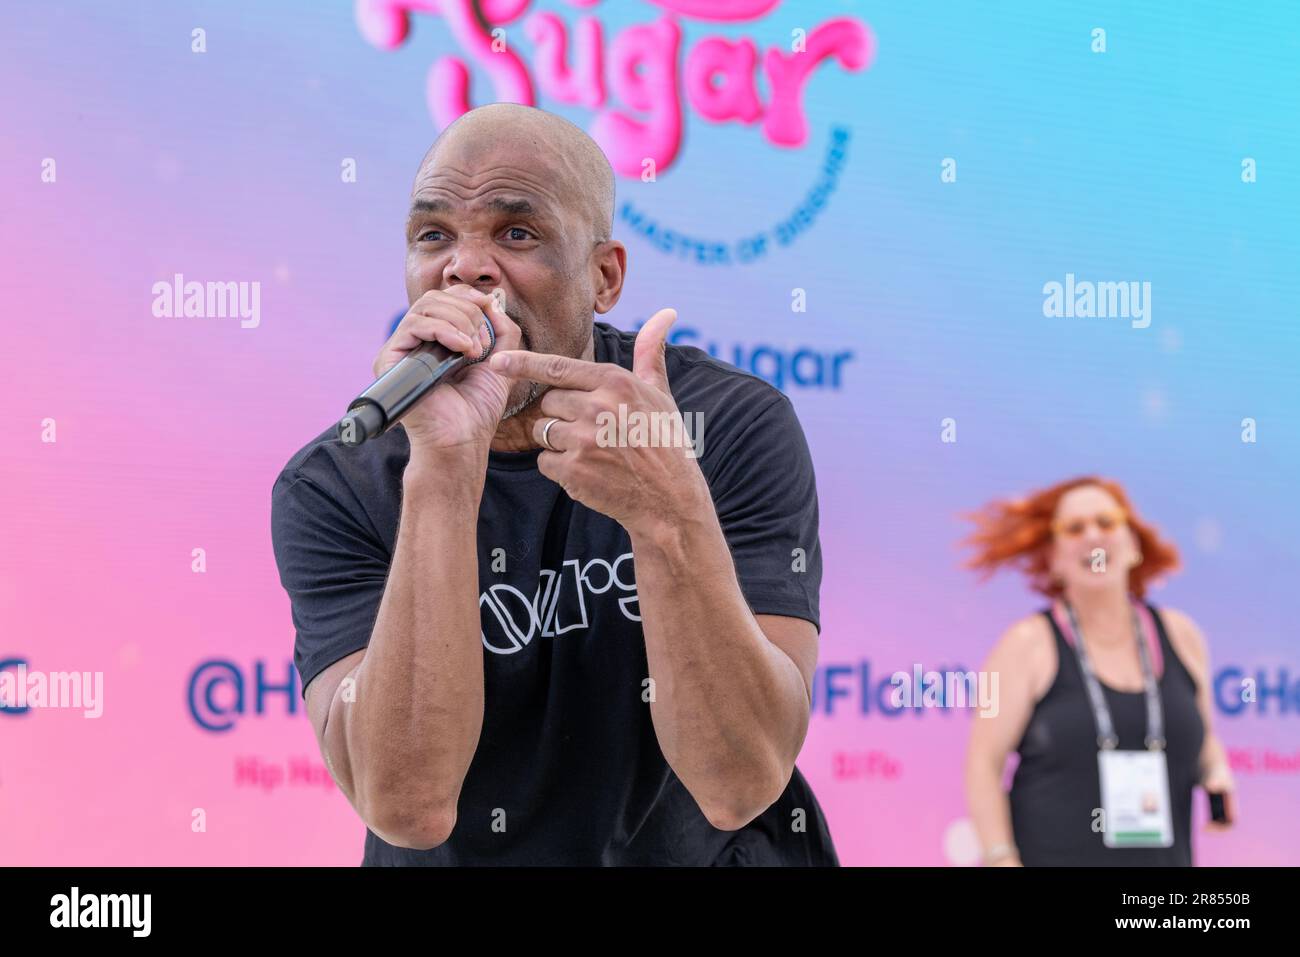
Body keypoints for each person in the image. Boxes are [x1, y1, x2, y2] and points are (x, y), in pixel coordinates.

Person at [270, 103, 837, 865]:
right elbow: (407, 805)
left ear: (605, 277)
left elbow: (739, 778)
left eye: (516, 233)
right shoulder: (334, 483)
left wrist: (670, 511)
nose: (465, 267)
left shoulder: (725, 424)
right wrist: (442, 467)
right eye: (433, 235)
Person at [961, 477, 1237, 866]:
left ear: (1134, 545)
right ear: (1054, 558)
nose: (1092, 537)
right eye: (1073, 528)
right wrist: (1000, 858)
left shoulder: (1181, 635)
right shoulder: (1025, 645)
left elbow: (1206, 738)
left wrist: (1217, 771)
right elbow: (982, 763)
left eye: (1106, 523)